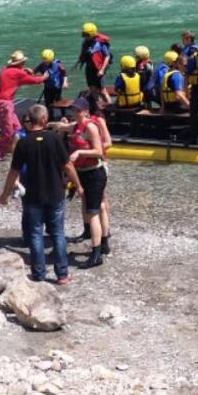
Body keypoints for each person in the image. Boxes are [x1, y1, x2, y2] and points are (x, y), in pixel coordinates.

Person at [0, 104, 81, 285]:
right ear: (44, 119)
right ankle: (62, 274)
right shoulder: (54, 138)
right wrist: (78, 186)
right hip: (55, 193)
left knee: (35, 234)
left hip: (32, 196)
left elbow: (13, 172)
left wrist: (4, 194)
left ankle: (38, 274)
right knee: (58, 233)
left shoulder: (23, 142)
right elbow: (68, 165)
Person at [66, 97, 108, 268]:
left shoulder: (90, 127)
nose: (74, 113)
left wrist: (79, 153)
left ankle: (96, 254)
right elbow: (62, 127)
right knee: (96, 208)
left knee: (93, 213)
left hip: (94, 174)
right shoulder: (75, 126)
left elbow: (98, 151)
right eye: (73, 110)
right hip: (82, 172)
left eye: (77, 110)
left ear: (85, 112)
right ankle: (104, 244)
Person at [0, 50, 45, 160]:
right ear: (21, 63)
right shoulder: (18, 73)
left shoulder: (5, 70)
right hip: (5, 104)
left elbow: (16, 75)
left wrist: (24, 71)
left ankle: (19, 150)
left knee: (17, 127)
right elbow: (34, 81)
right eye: (23, 63)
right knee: (8, 131)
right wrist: (45, 77)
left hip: (3, 102)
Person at [76, 23, 112, 105]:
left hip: (98, 69)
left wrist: (102, 70)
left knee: (102, 91)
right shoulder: (85, 43)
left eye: (87, 35)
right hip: (89, 69)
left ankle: (110, 106)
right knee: (93, 90)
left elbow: (107, 56)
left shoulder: (100, 43)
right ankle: (98, 106)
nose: (85, 37)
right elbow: (83, 54)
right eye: (83, 34)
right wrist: (79, 61)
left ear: (92, 34)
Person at [34, 49, 67, 118]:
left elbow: (64, 74)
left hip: (57, 87)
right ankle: (50, 116)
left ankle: (64, 114)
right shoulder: (42, 65)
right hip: (47, 87)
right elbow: (34, 71)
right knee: (48, 102)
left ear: (51, 60)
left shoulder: (58, 64)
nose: (46, 63)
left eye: (48, 62)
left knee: (58, 100)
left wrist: (65, 82)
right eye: (45, 61)